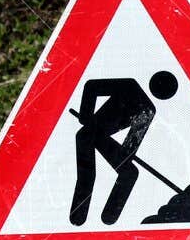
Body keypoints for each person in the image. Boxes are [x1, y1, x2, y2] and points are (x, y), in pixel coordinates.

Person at [67, 70, 179, 226]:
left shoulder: (147, 110)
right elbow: (92, 86)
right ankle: (78, 216)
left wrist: (125, 156)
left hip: (96, 135)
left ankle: (109, 217)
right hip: (88, 133)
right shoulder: (130, 87)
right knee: (89, 174)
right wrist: (86, 115)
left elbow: (131, 144)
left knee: (129, 172)